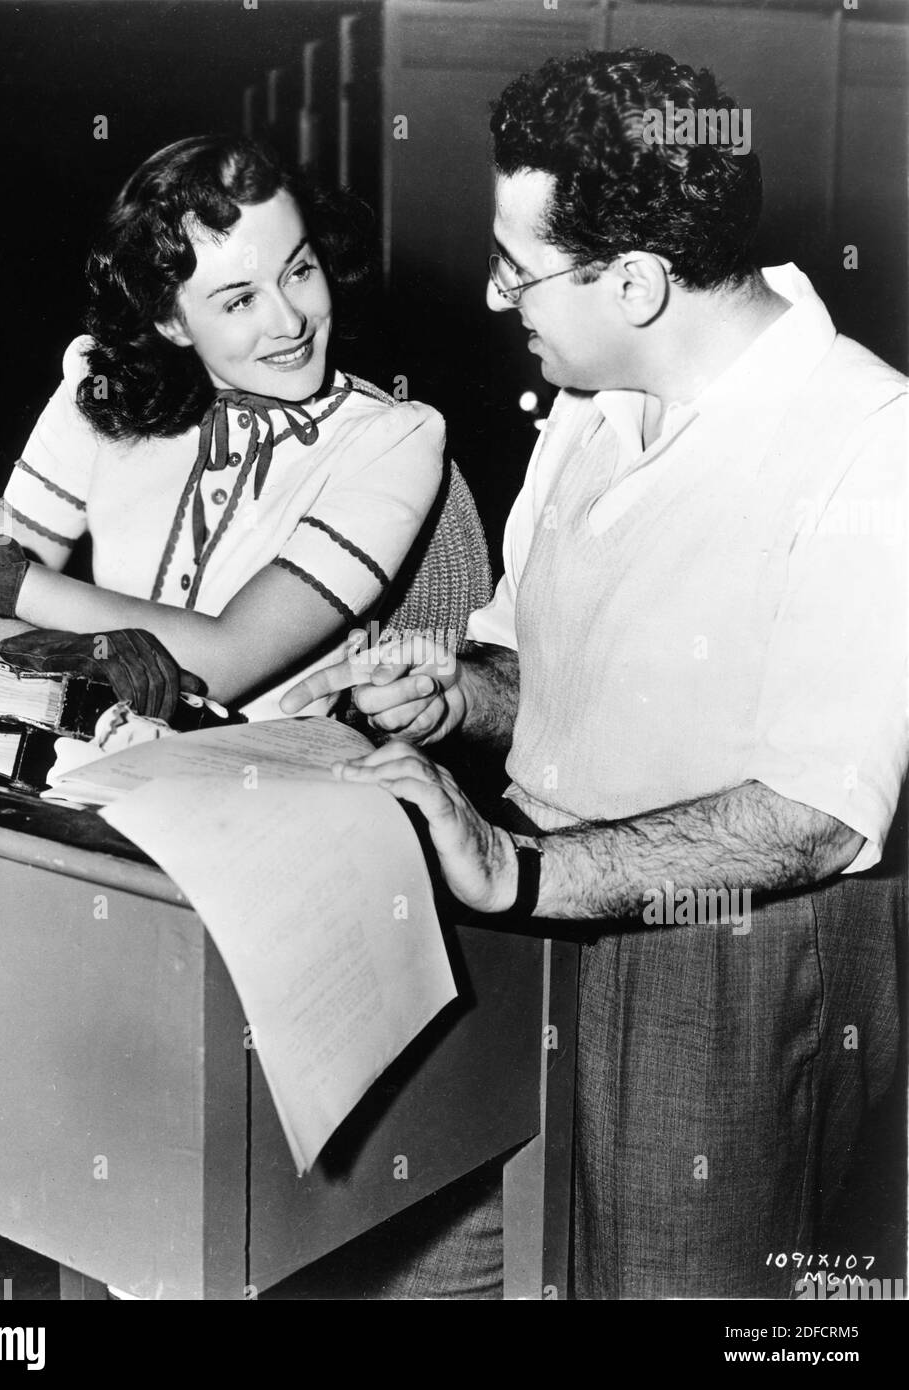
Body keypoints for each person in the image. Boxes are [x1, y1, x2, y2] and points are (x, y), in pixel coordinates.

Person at [281, 49, 907, 1298]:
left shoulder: (868, 446)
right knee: (446, 1267)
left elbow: (813, 811)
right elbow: (541, 656)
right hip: (539, 917)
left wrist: (518, 870)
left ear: (635, 281)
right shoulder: (590, 396)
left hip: (728, 961)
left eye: (520, 265)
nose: (497, 291)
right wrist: (461, 686)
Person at [0, 136, 445, 721]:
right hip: (75, 754)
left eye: (300, 271)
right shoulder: (101, 386)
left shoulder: (392, 442)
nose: (291, 321)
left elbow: (222, 665)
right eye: (239, 302)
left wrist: (11, 585)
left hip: (260, 784)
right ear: (172, 320)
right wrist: (57, 649)